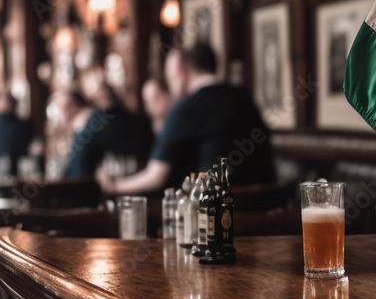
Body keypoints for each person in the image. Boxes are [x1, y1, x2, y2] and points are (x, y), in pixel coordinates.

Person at [97, 43, 275, 194]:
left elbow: (156, 176)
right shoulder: (245, 98)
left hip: (217, 216)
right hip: (268, 205)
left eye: (170, 76)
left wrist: (114, 186)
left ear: (181, 72)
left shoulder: (186, 108)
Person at [63, 83, 154, 179]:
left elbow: (76, 175)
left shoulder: (89, 132)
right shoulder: (141, 123)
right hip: (148, 189)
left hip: (104, 191)